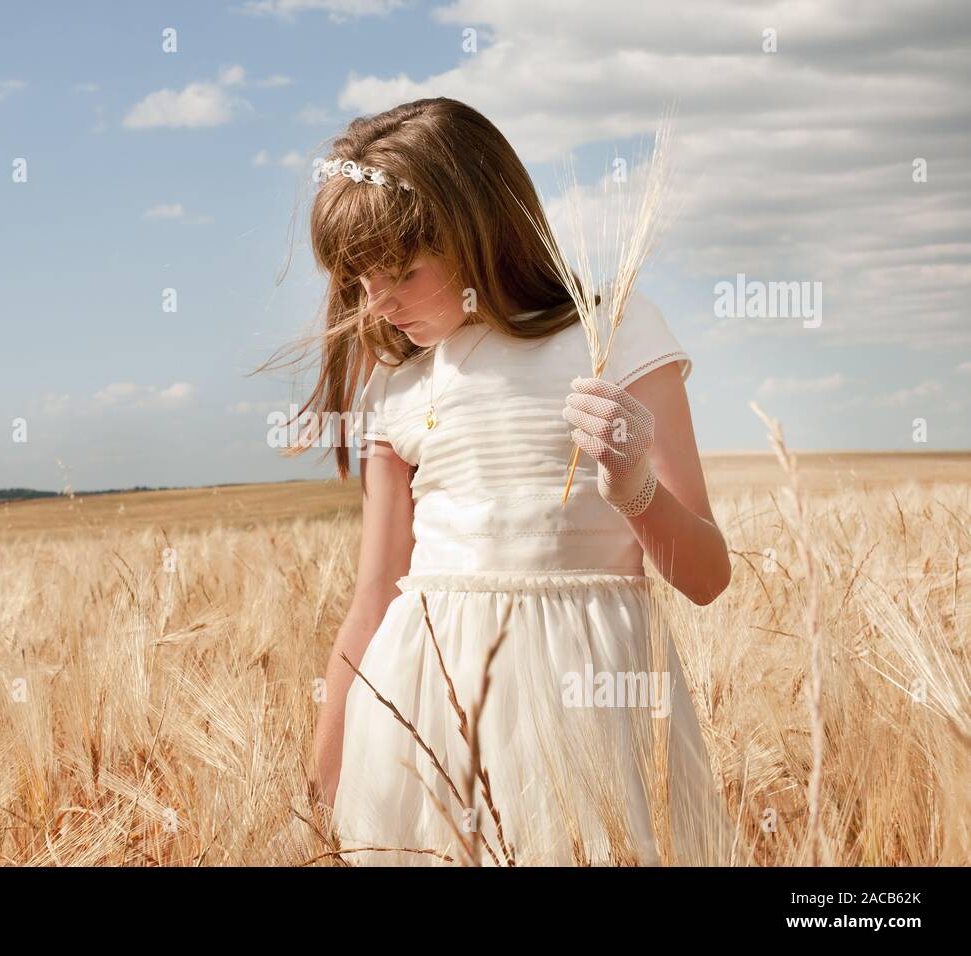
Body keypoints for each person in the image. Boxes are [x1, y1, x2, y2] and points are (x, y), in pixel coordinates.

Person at [298, 97, 734, 866]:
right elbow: (373, 598)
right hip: (418, 723)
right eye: (359, 278)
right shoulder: (398, 388)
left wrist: (634, 488)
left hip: (592, 715)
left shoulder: (613, 334)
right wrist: (317, 787)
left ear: (483, 231)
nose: (379, 303)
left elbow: (704, 576)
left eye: (400, 272)